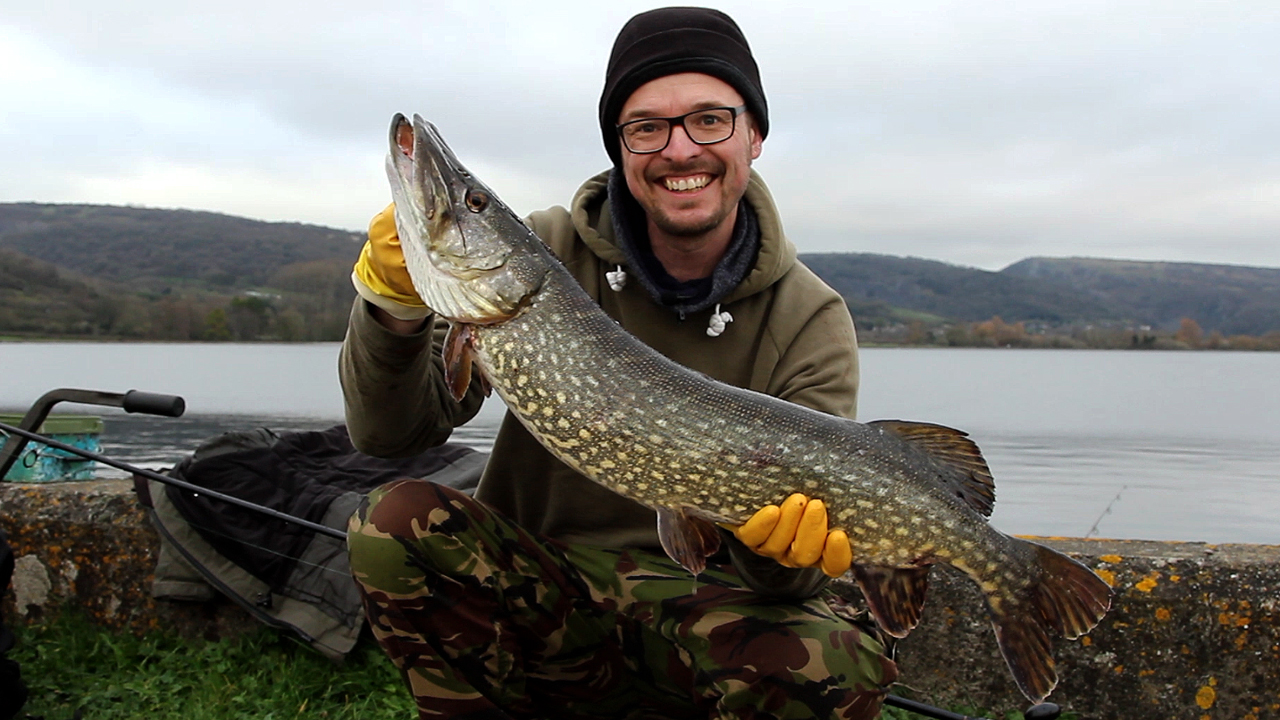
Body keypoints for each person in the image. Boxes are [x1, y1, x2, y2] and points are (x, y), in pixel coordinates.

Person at [341, 7, 897, 719]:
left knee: (833, 659)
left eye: (709, 120)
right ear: (620, 147)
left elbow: (788, 586)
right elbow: (388, 437)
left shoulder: (810, 318)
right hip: (541, 583)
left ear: (753, 134)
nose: (679, 149)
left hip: (701, 605)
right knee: (393, 522)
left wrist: (778, 552)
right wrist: (392, 308)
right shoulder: (542, 253)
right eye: (647, 127)